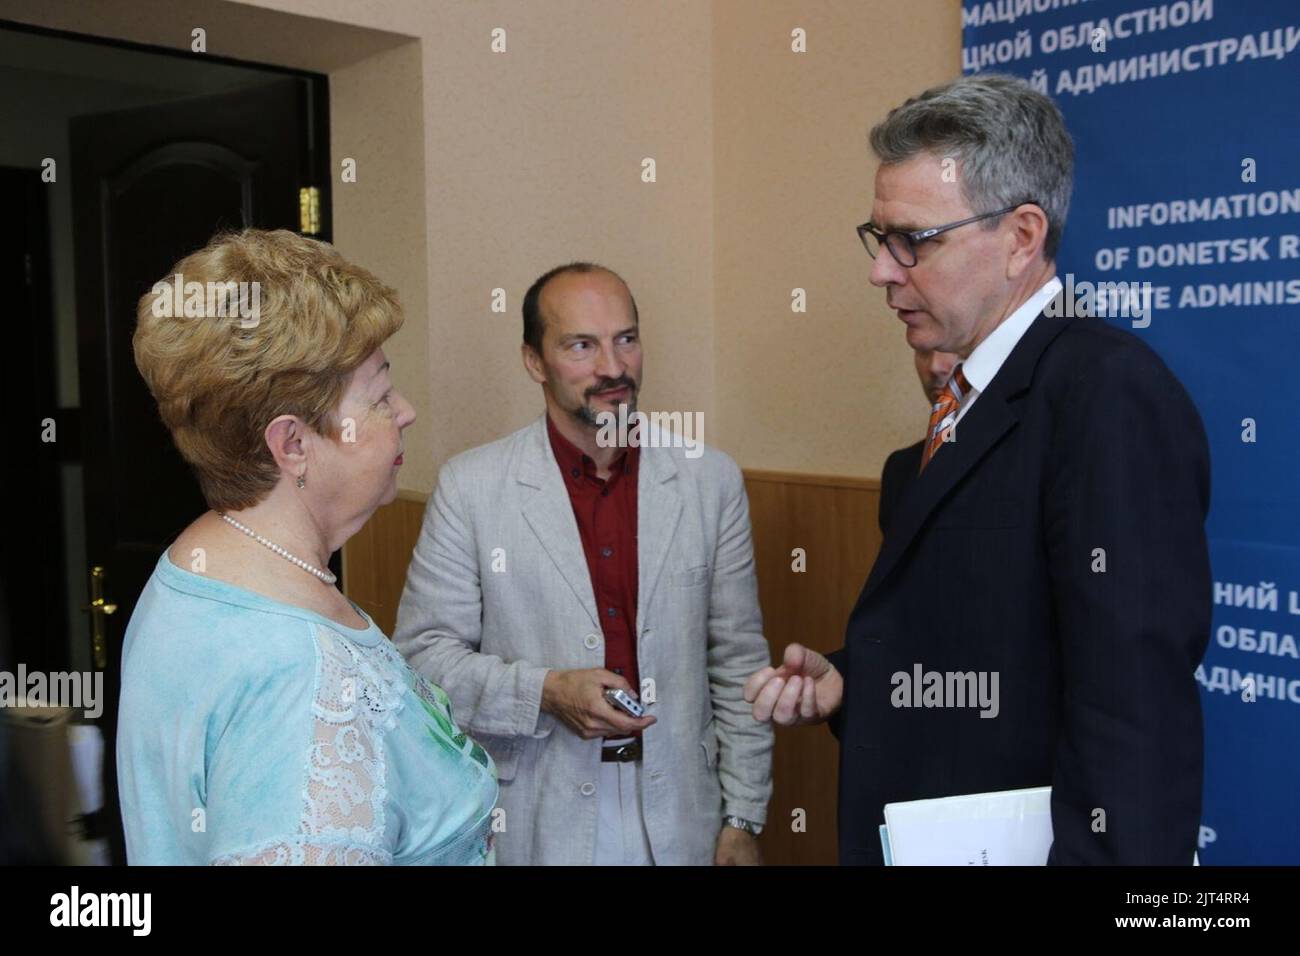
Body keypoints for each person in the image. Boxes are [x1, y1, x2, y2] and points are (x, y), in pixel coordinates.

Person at [746, 74, 1211, 865]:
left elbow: (1133, 723)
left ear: (1022, 236)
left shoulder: (1106, 394)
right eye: (878, 237)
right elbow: (993, 638)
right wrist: (853, 680)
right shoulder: (969, 393)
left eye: (914, 241)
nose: (881, 272)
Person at [119, 229, 497, 865]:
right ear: (292, 444)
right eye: (379, 397)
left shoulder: (204, 565)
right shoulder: (298, 675)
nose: (404, 411)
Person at [394, 262, 773, 865]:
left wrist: (743, 817)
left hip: (683, 816)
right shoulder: (471, 487)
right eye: (581, 345)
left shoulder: (710, 478)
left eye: (626, 338)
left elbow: (738, 661)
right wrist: (545, 690)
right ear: (534, 361)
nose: (613, 367)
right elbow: (424, 663)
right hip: (540, 815)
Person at [880, 348, 959, 536]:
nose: (934, 367)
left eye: (951, 349)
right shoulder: (900, 468)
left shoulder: (1024, 459)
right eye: (923, 351)